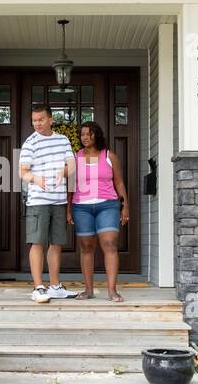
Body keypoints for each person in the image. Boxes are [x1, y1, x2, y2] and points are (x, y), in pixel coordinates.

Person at [19, 104, 78, 304]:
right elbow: (23, 172)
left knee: (56, 243)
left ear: (51, 119)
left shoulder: (62, 140)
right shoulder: (30, 143)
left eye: (41, 120)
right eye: (34, 120)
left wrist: (63, 172)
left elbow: (72, 164)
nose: (37, 124)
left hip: (59, 200)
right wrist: (36, 179)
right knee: (37, 242)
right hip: (38, 201)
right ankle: (38, 288)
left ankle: (54, 286)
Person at [67, 121, 129, 302]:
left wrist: (125, 206)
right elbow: (71, 185)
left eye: (89, 134)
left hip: (107, 205)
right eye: (83, 134)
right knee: (86, 247)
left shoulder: (109, 156)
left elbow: (119, 182)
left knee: (109, 244)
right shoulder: (76, 157)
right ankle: (88, 290)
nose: (85, 137)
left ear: (97, 135)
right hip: (81, 207)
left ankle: (112, 291)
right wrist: (68, 209)